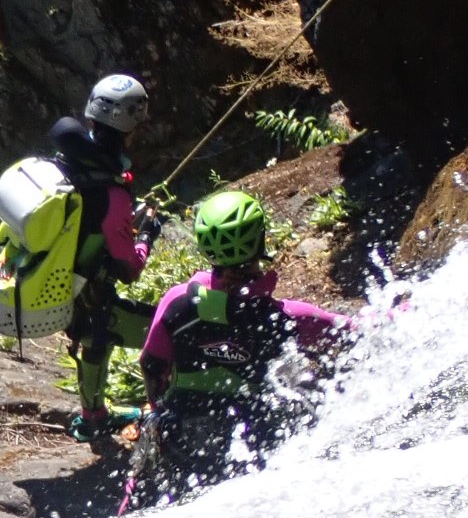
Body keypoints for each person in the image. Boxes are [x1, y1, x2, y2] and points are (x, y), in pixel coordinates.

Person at [137, 190, 354, 497]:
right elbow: (352, 331)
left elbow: (151, 364)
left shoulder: (177, 303)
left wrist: (155, 405)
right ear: (260, 239)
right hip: (250, 445)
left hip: (182, 440)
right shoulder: (286, 318)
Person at [50, 74, 164, 441]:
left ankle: (93, 416)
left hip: (60, 283)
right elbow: (129, 268)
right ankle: (166, 415)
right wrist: (145, 235)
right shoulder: (112, 194)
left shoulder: (61, 163)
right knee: (172, 334)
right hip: (88, 291)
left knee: (94, 340)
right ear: (131, 127)